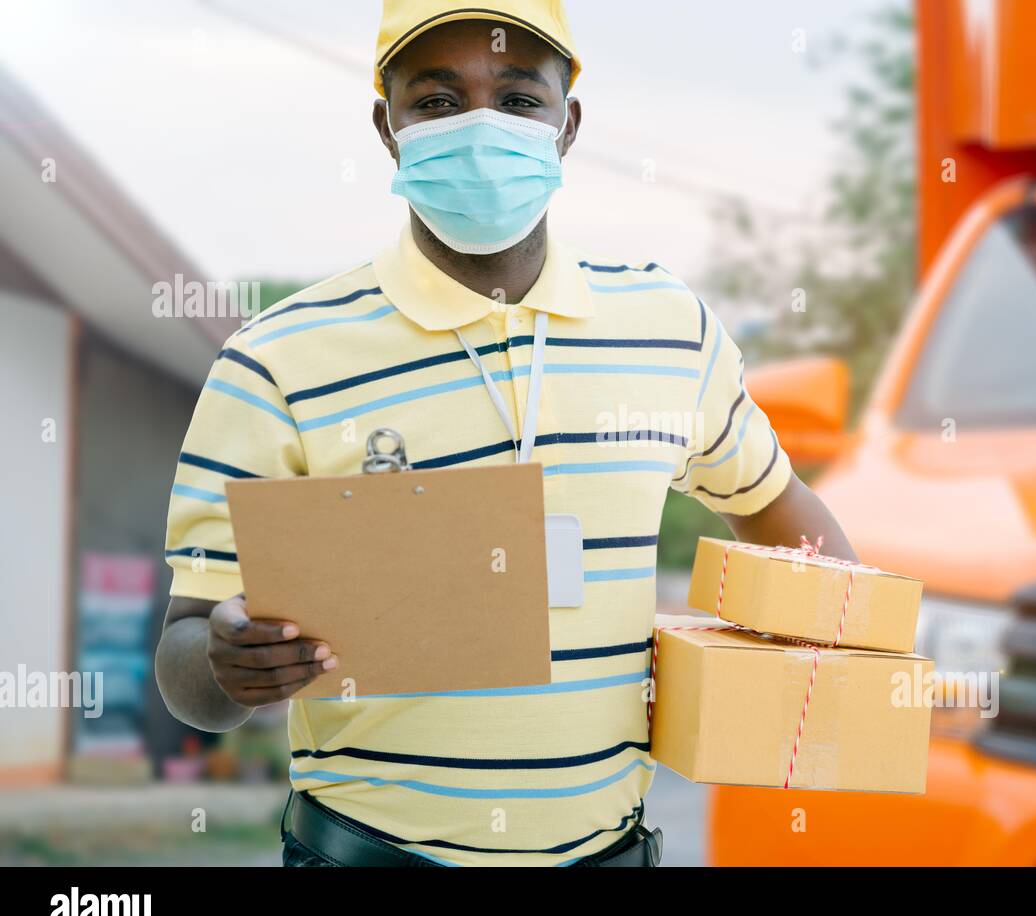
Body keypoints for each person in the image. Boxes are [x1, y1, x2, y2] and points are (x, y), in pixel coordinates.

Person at [155, 0, 857, 867]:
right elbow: (188, 659)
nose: (481, 129)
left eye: (519, 99)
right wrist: (227, 666)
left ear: (569, 124)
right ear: (387, 127)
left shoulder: (668, 329)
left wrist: (856, 659)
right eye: (438, 101)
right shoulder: (277, 361)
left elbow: (777, 507)